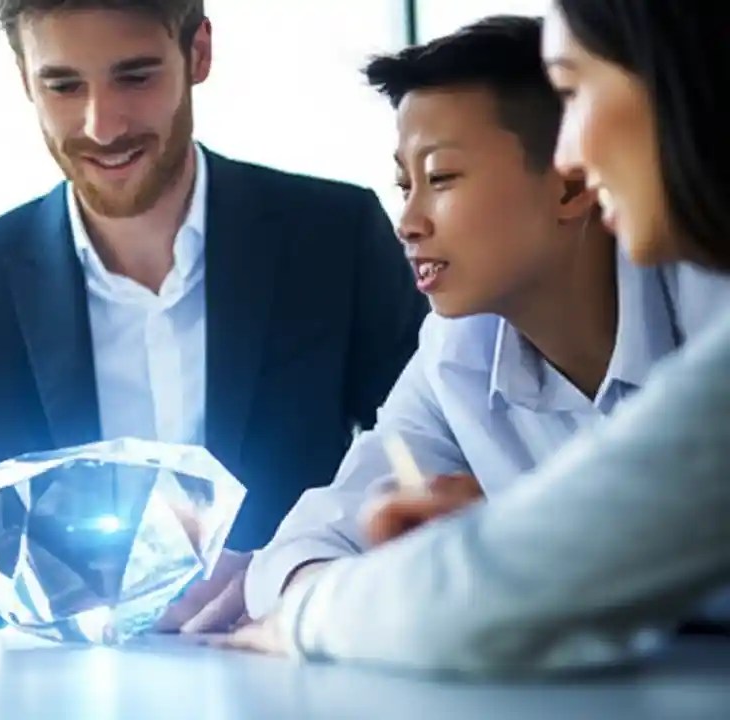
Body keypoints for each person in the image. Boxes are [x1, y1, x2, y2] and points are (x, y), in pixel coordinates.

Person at [0, 0, 427, 643]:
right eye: (63, 85)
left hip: (289, 665)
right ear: (23, 78)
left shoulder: (332, 238)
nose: (101, 125)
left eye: (135, 77)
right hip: (60, 692)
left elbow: (424, 473)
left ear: (198, 54)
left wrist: (309, 579)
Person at [221, 0, 730, 675]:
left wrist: (503, 553)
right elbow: (308, 542)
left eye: (441, 179)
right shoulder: (457, 350)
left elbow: (501, 595)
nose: (406, 221)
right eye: (405, 183)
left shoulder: (710, 304)